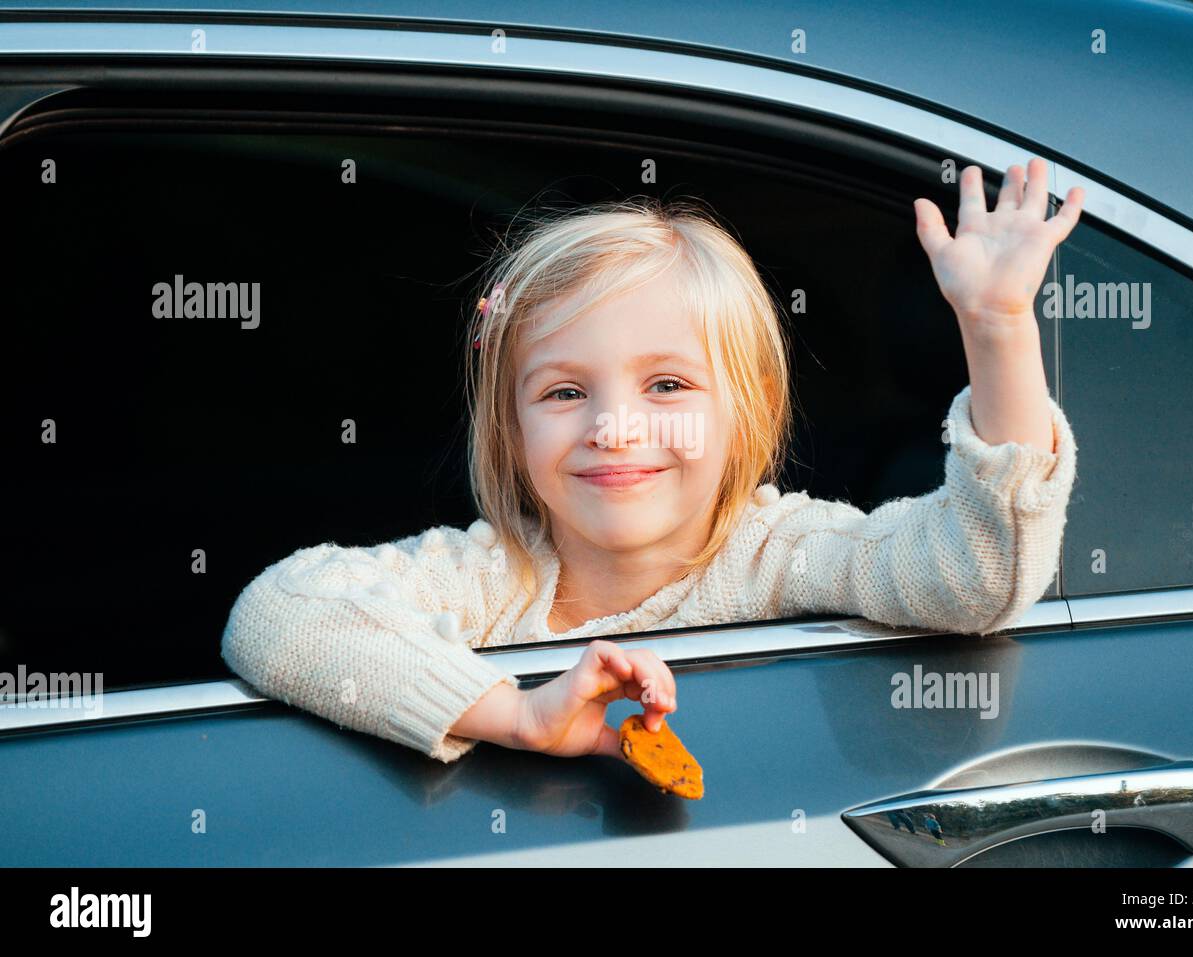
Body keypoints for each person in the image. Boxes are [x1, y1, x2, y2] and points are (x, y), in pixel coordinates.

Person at [220, 158, 1082, 765]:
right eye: (563, 393)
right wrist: (516, 712)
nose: (615, 428)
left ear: (742, 416)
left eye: (667, 384)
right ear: (510, 431)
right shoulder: (484, 573)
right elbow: (279, 611)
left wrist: (998, 331)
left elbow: (978, 575)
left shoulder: (780, 552)